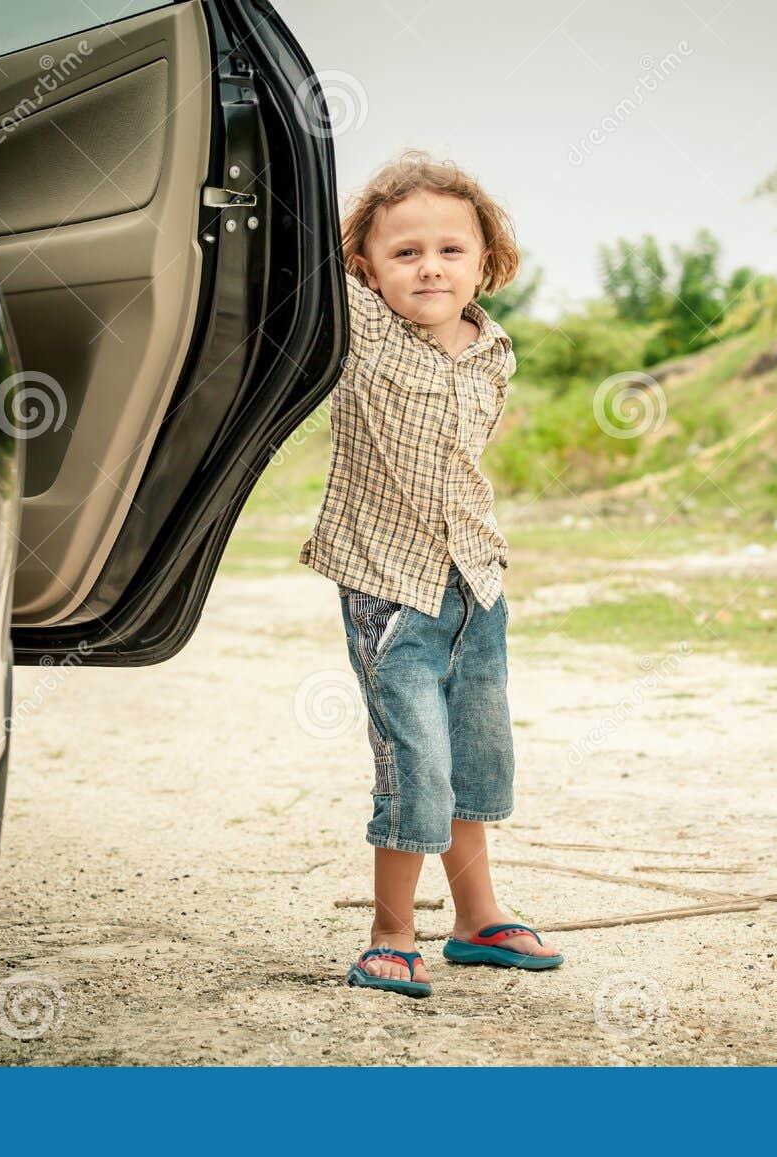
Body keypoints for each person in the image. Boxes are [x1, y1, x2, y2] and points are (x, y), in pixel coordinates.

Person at [299, 149, 564, 997]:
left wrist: (479, 570)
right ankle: (391, 929)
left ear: (485, 262)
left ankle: (478, 918)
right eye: (404, 251)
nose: (429, 266)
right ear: (366, 269)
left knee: (477, 759)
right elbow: (310, 266)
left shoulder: (495, 354)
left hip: (475, 584)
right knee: (415, 759)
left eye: (451, 249)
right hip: (388, 586)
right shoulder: (364, 333)